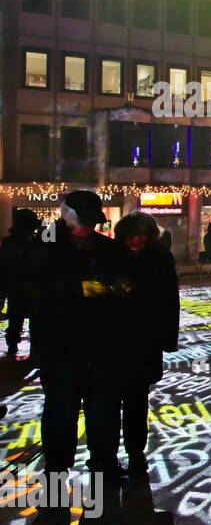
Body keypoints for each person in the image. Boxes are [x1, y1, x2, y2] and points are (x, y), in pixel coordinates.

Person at [28, 190, 131, 478]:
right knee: (61, 411)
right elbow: (32, 289)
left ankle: (104, 462)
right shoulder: (46, 243)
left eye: (92, 223)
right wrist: (78, 289)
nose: (88, 230)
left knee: (105, 411)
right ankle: (57, 467)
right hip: (61, 347)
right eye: (82, 223)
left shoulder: (107, 248)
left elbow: (125, 277)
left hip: (102, 347)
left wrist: (121, 286)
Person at [114, 212, 179, 477]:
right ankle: (106, 456)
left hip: (144, 340)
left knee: (136, 400)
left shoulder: (160, 258)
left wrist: (167, 339)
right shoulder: (114, 255)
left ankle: (135, 452)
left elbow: (169, 300)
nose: (135, 240)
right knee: (109, 401)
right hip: (114, 338)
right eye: (131, 236)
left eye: (141, 235)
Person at [0, 209, 41, 359]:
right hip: (32, 289)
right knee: (35, 322)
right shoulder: (35, 244)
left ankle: (12, 348)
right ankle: (35, 352)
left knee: (15, 322)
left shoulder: (7, 244)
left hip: (15, 289)